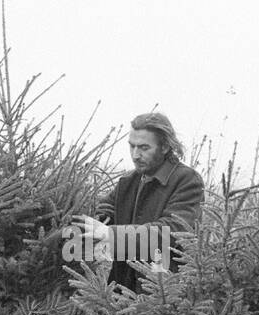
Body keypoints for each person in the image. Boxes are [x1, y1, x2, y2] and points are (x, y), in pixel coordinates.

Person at [79, 112, 205, 295]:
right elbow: (106, 209)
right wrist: (97, 221)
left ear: (164, 147)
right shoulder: (128, 181)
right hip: (123, 289)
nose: (135, 155)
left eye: (144, 148)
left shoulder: (187, 181)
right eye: (132, 146)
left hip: (165, 294)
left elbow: (171, 232)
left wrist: (110, 234)